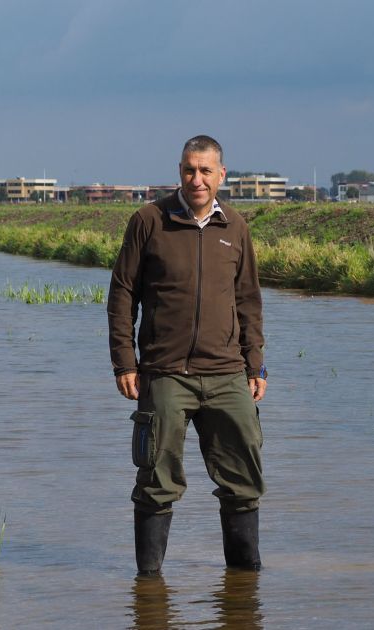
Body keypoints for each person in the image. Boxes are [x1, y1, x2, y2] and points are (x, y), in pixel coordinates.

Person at [108, 135, 267, 576]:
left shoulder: (235, 227)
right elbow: (123, 294)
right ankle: (149, 585)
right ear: (179, 171)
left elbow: (248, 299)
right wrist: (125, 361)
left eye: (204, 171)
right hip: (164, 374)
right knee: (156, 481)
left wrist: (255, 363)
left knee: (243, 483)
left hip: (227, 374)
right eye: (188, 170)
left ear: (221, 175)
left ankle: (244, 584)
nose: (196, 179)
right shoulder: (149, 221)